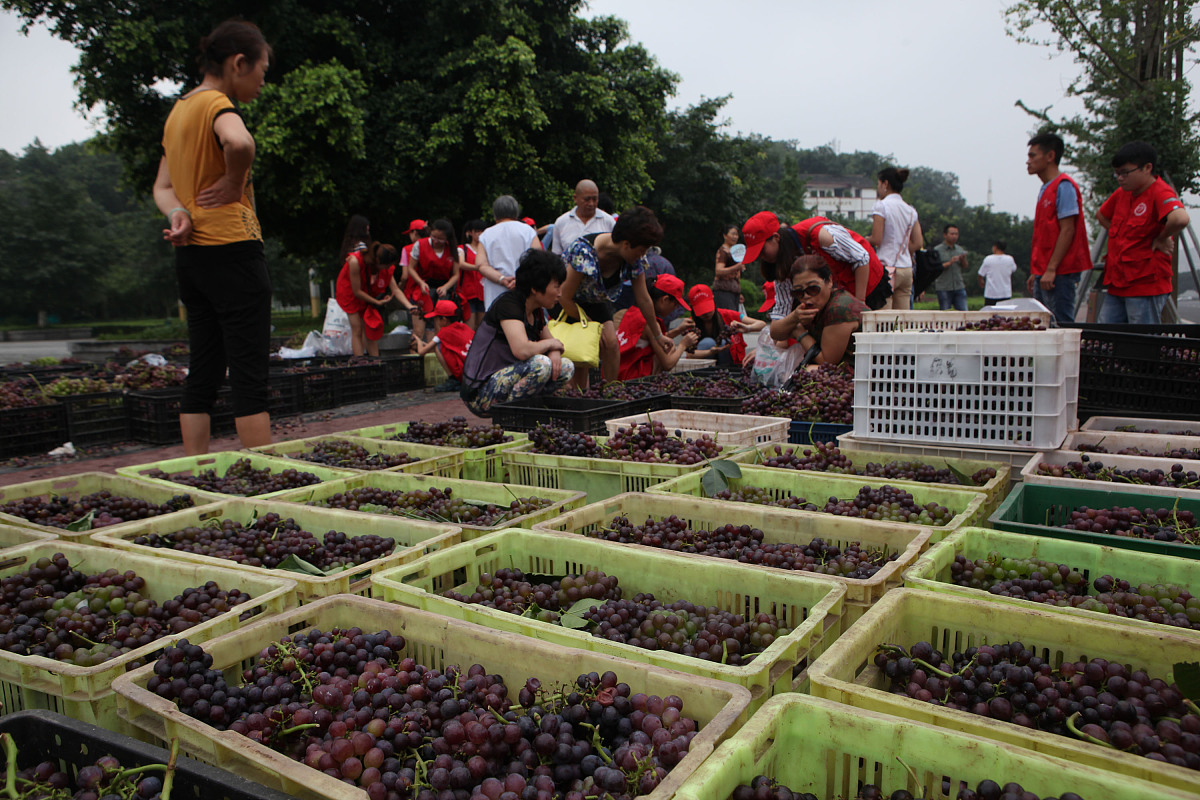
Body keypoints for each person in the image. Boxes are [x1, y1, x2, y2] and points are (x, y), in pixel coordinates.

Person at [153, 19, 273, 455]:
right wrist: (233, 182)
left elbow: (163, 187)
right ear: (238, 63)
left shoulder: (178, 111)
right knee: (248, 376)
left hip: (193, 259)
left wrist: (179, 213)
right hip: (234, 251)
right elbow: (240, 143)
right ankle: (270, 483)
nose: (262, 81)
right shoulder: (217, 105)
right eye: (261, 70)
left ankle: (195, 472)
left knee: (203, 367)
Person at [559, 205, 673, 388]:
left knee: (611, 343)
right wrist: (591, 328)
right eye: (642, 250)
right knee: (579, 355)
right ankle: (576, 398)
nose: (643, 256)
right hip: (567, 302)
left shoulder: (634, 260)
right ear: (626, 244)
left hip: (596, 300)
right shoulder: (584, 252)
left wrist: (659, 335)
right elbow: (564, 296)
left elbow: (643, 298)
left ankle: (611, 392)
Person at [459, 249, 575, 416]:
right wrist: (552, 345)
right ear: (535, 288)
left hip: (508, 381)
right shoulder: (509, 305)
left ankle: (536, 412)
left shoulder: (536, 310)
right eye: (556, 287)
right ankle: (514, 419)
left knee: (566, 367)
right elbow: (521, 350)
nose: (560, 293)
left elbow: (552, 343)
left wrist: (555, 351)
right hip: (481, 393)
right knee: (541, 364)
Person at [1096, 141, 1190, 324]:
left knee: (1141, 341)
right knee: (1105, 336)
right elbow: (1101, 215)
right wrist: (1119, 233)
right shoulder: (1123, 193)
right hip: (1117, 282)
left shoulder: (1159, 192)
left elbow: (1180, 218)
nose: (1120, 178)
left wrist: (1161, 237)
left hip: (1145, 284)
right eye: (1117, 173)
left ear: (1147, 168)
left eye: (1125, 172)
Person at [743, 212, 888, 331]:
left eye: (761, 251)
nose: (761, 258)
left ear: (776, 238)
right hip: (840, 300)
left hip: (869, 285)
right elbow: (780, 319)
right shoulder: (783, 266)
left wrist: (859, 304)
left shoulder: (821, 235)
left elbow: (862, 258)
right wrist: (793, 319)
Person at [1026, 132, 1093, 323]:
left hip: (1060, 272)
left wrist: (1051, 269)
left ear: (1050, 156)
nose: (1028, 162)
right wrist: (1037, 272)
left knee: (1061, 323)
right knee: (1043, 322)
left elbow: (1068, 230)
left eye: (1032, 156)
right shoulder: (1045, 188)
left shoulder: (1064, 187)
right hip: (1045, 270)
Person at [769, 255, 869, 368]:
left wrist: (800, 333)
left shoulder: (839, 309)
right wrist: (794, 317)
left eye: (812, 288)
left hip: (864, 372)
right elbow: (776, 333)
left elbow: (826, 361)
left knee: (810, 371)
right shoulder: (813, 305)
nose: (806, 296)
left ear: (829, 281)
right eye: (798, 292)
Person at [616, 275, 700, 379]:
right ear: (664, 300)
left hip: (618, 371)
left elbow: (655, 338)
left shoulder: (633, 312)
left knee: (666, 344)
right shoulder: (651, 323)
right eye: (675, 304)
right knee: (670, 349)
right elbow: (667, 364)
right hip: (631, 376)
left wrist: (678, 330)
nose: (675, 308)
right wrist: (683, 344)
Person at [335, 241, 408, 356]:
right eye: (387, 266)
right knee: (357, 328)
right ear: (378, 261)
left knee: (370, 326)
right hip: (350, 293)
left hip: (367, 292)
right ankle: (360, 362)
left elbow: (396, 289)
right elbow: (357, 291)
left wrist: (410, 306)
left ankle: (375, 360)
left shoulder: (383, 267)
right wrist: (377, 302)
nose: (389, 268)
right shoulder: (355, 262)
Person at [476, 195, 543, 310]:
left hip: (496, 294)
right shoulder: (528, 231)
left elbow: (481, 265)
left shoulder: (486, 234)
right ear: (516, 213)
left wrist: (502, 279)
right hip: (525, 291)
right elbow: (538, 260)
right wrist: (520, 280)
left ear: (495, 214)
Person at [869, 168, 923, 310]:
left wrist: (862, 240)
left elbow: (876, 239)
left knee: (884, 319)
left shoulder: (881, 206)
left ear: (885, 184)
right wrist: (902, 248)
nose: (878, 187)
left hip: (887, 268)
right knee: (902, 320)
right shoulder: (910, 210)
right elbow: (918, 243)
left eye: (878, 184)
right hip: (906, 269)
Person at [405, 218, 463, 343]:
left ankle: (438, 356)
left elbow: (455, 275)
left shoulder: (453, 250)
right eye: (433, 237)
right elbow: (410, 268)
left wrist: (446, 287)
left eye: (440, 239)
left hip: (443, 290)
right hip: (423, 288)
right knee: (419, 331)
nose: (436, 241)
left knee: (439, 329)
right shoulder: (420, 245)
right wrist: (421, 282)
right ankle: (416, 354)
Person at [687, 284, 765, 367]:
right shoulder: (690, 324)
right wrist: (711, 352)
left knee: (724, 342)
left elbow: (762, 324)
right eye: (702, 310)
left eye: (708, 308)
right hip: (704, 362)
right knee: (707, 343)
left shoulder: (728, 315)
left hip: (729, 361)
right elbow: (690, 354)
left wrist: (747, 328)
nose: (706, 313)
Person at [413, 299, 475, 392]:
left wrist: (418, 341)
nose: (436, 321)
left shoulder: (444, 332)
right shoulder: (465, 327)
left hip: (464, 373)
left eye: (437, 318)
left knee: (438, 346)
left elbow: (421, 352)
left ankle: (453, 379)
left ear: (444, 320)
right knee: (439, 345)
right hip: (476, 371)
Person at [550, 179, 615, 253]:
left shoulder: (608, 222)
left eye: (595, 199)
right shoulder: (561, 223)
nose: (591, 203)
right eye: (587, 199)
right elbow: (556, 255)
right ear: (575, 198)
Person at [457, 219, 487, 330]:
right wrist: (479, 268)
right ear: (470, 233)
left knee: (481, 328)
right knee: (469, 328)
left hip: (483, 292)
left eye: (482, 231)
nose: (480, 234)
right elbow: (461, 264)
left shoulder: (487, 250)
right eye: (477, 231)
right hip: (467, 293)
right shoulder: (462, 248)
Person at [933, 225, 969, 311]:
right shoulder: (937, 250)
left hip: (959, 286)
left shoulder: (960, 249)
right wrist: (950, 262)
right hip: (944, 287)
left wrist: (963, 259)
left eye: (956, 234)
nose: (954, 236)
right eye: (952, 234)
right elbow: (935, 267)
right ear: (945, 235)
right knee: (945, 314)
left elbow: (965, 266)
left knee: (964, 313)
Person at [713, 223, 743, 312]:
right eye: (733, 234)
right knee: (727, 320)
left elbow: (737, 275)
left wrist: (739, 291)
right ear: (725, 236)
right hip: (723, 290)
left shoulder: (735, 252)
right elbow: (718, 271)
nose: (735, 237)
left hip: (734, 291)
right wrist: (737, 267)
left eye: (737, 234)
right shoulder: (723, 251)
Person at [977, 241, 1018, 306]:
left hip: (991, 294)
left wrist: (981, 281)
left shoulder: (988, 259)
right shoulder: (1010, 259)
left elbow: (980, 274)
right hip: (1005, 293)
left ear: (995, 247)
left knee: (990, 314)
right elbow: (1013, 269)